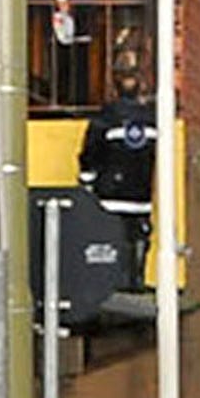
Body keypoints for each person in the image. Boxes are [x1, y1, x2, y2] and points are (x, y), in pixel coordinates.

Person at [78, 39, 158, 276]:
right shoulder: (152, 118)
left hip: (108, 197)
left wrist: (87, 185)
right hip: (141, 197)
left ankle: (116, 284)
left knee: (107, 248)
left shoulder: (106, 117)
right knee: (138, 240)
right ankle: (135, 281)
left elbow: (90, 154)